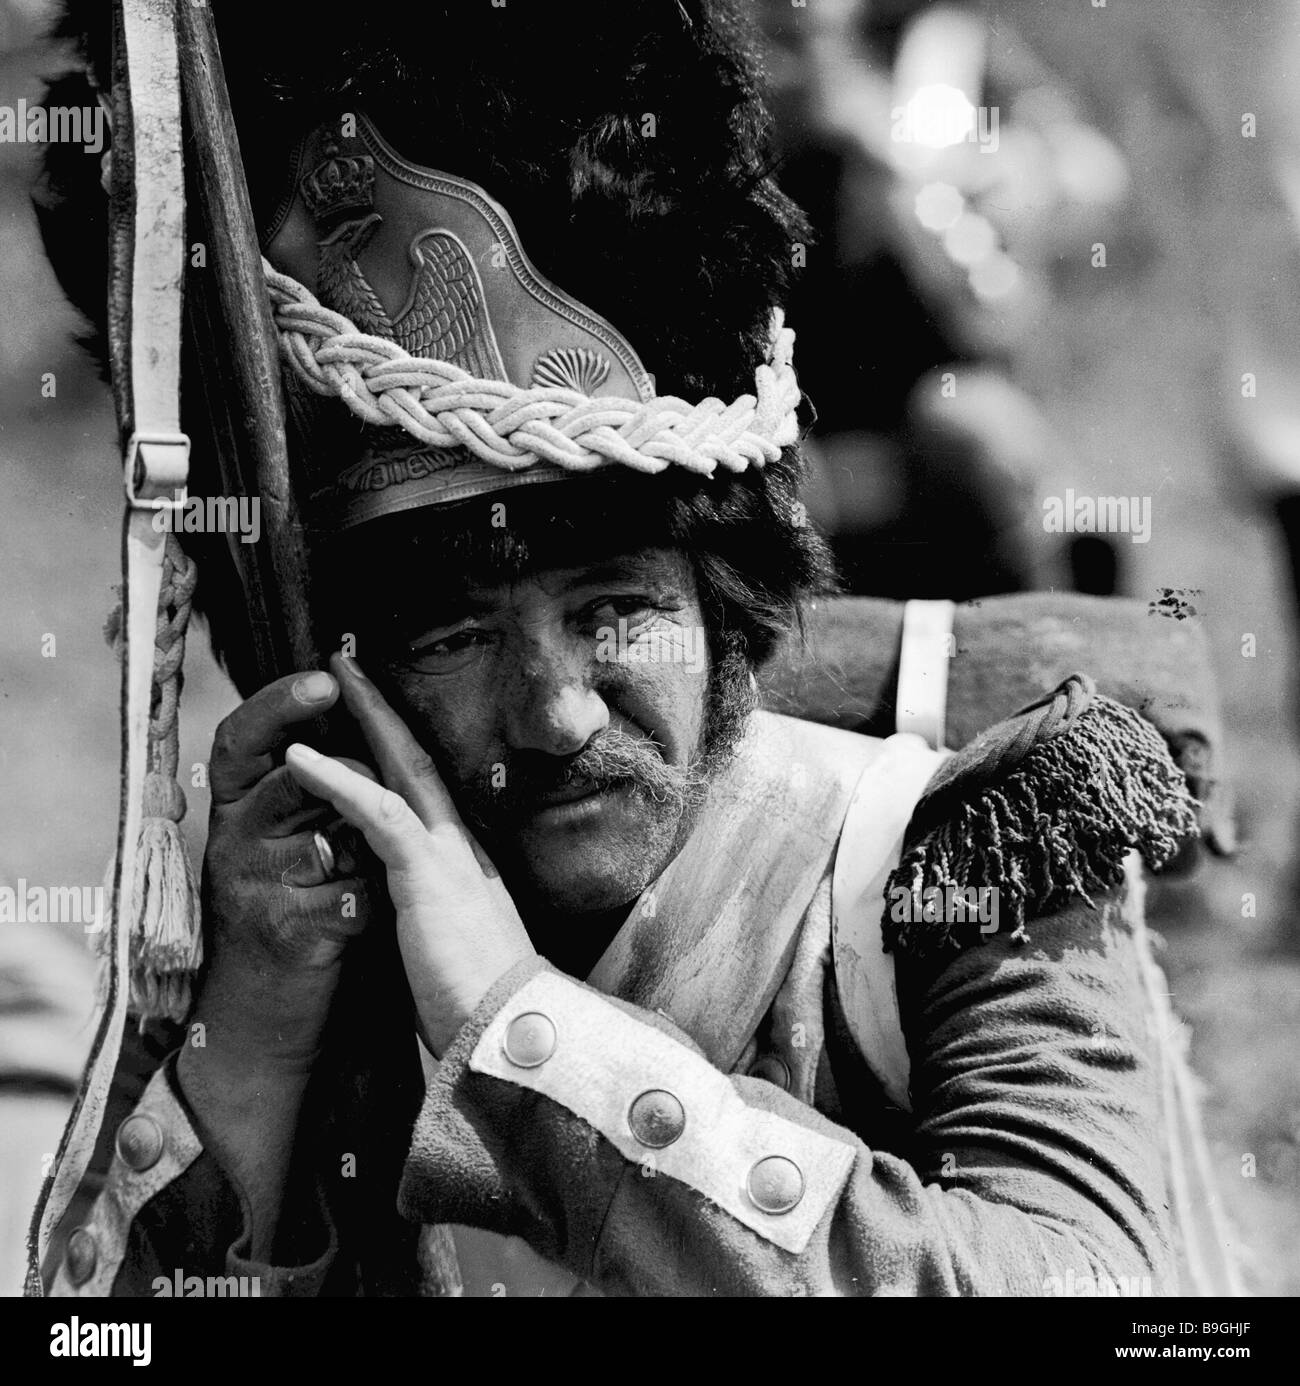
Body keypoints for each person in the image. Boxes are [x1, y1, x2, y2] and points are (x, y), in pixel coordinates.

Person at [36, 1, 1199, 1297]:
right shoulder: (317, 943)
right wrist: (250, 1042)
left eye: (611, 611)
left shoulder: (978, 867)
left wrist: (518, 1025)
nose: (556, 717)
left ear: (726, 601)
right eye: (460, 633)